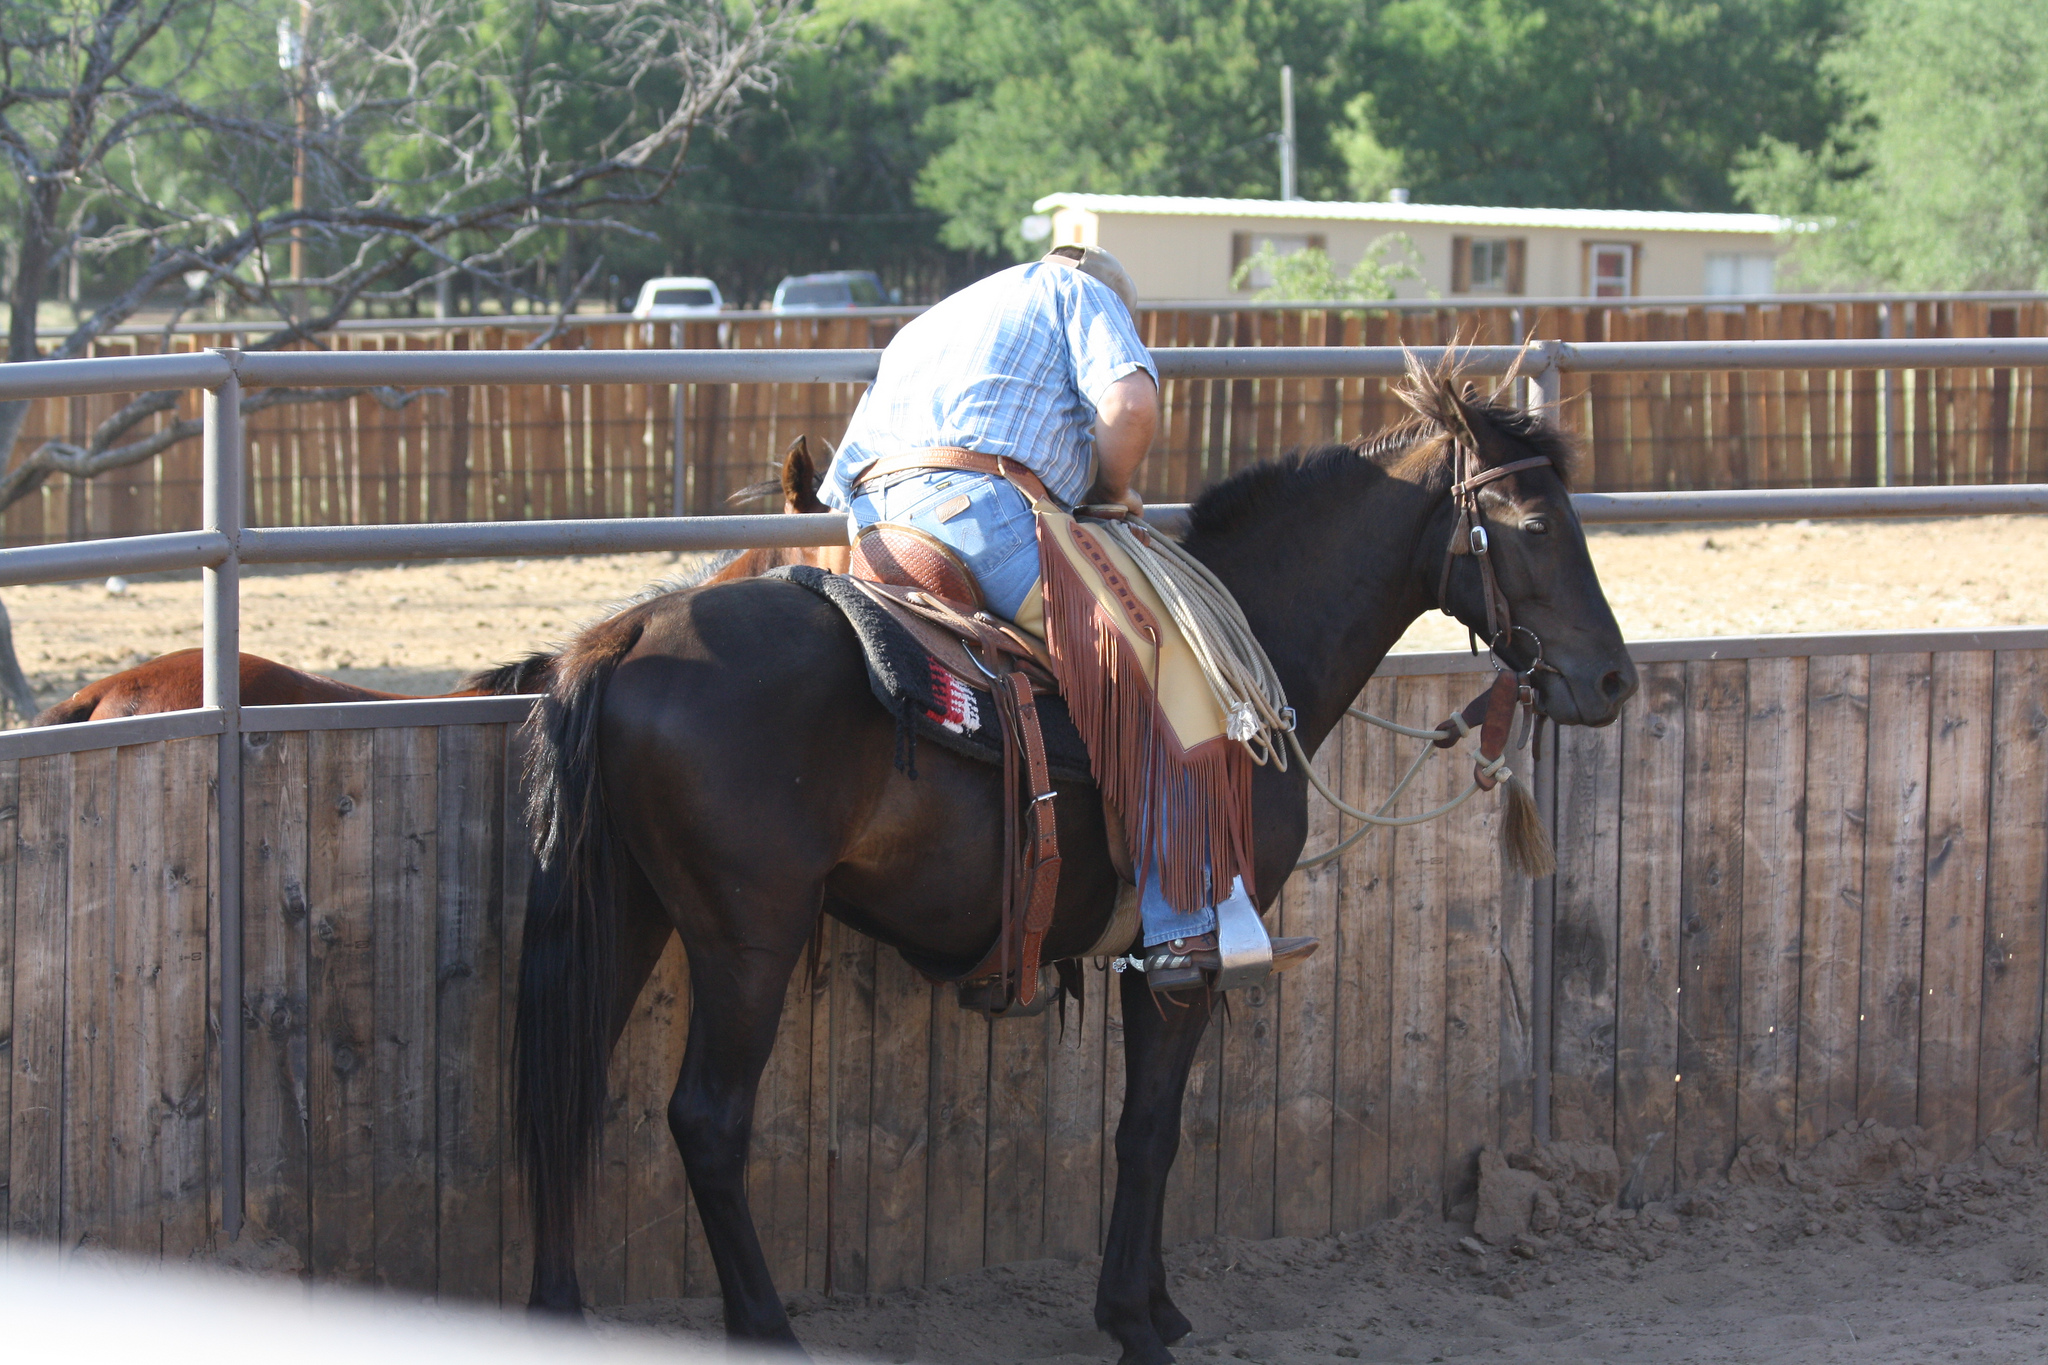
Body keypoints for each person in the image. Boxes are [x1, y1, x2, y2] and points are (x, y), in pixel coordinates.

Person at [819, 246, 1314, 992]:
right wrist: (1112, 491)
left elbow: (833, 484)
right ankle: (1184, 927)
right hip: (982, 515)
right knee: (1161, 658)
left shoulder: (930, 324)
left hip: (876, 533)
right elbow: (1129, 407)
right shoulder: (1079, 290)